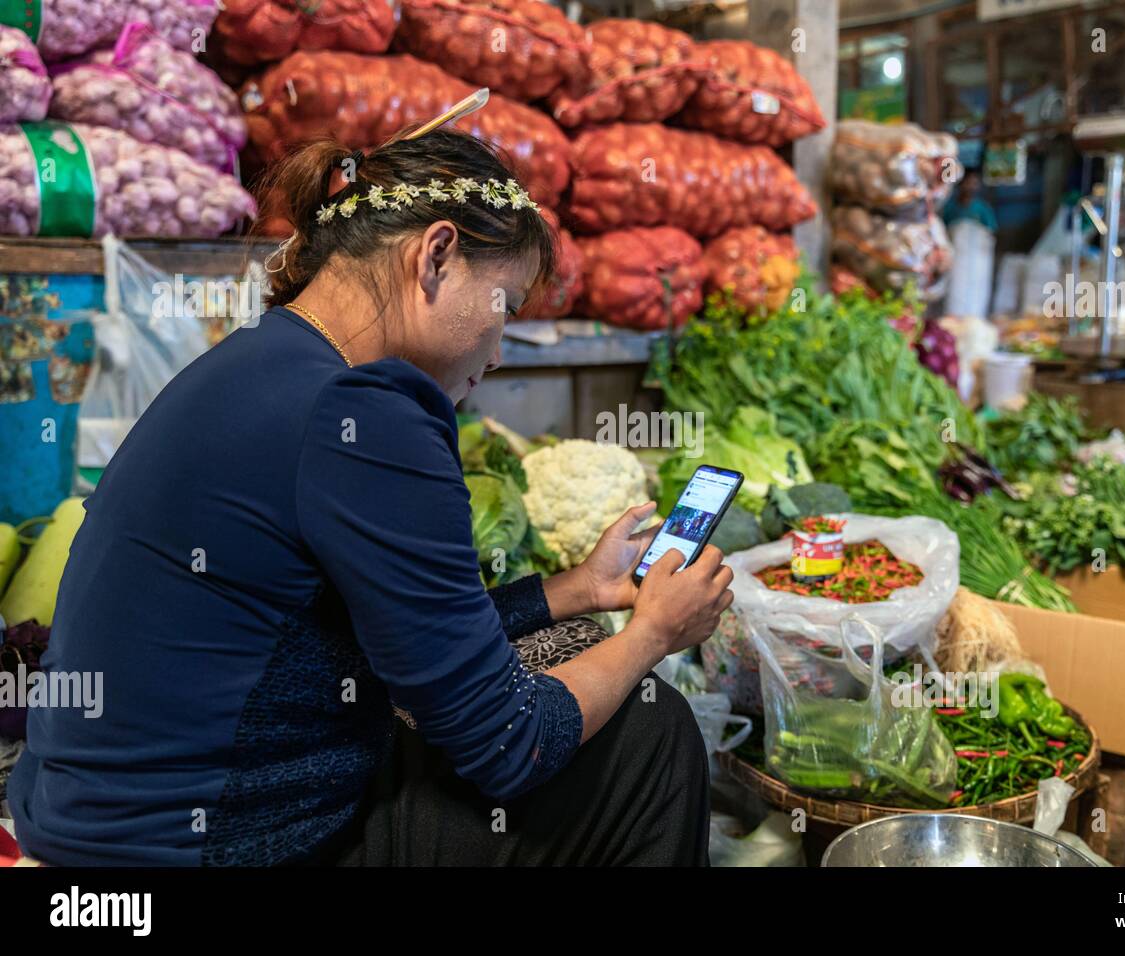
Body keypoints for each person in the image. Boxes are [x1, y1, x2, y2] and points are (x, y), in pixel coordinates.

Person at [7, 126, 734, 866]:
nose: (500, 346)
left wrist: (577, 590)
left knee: (568, 675)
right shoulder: (366, 412)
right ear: (437, 254)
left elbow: (413, 638)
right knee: (649, 735)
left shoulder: (263, 357)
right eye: (505, 306)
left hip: (87, 827)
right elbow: (509, 745)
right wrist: (653, 635)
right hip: (210, 847)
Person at [942, 168, 997, 233]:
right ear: (960, 184)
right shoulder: (948, 207)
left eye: (975, 183)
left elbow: (991, 231)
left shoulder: (983, 208)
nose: (971, 187)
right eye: (968, 183)